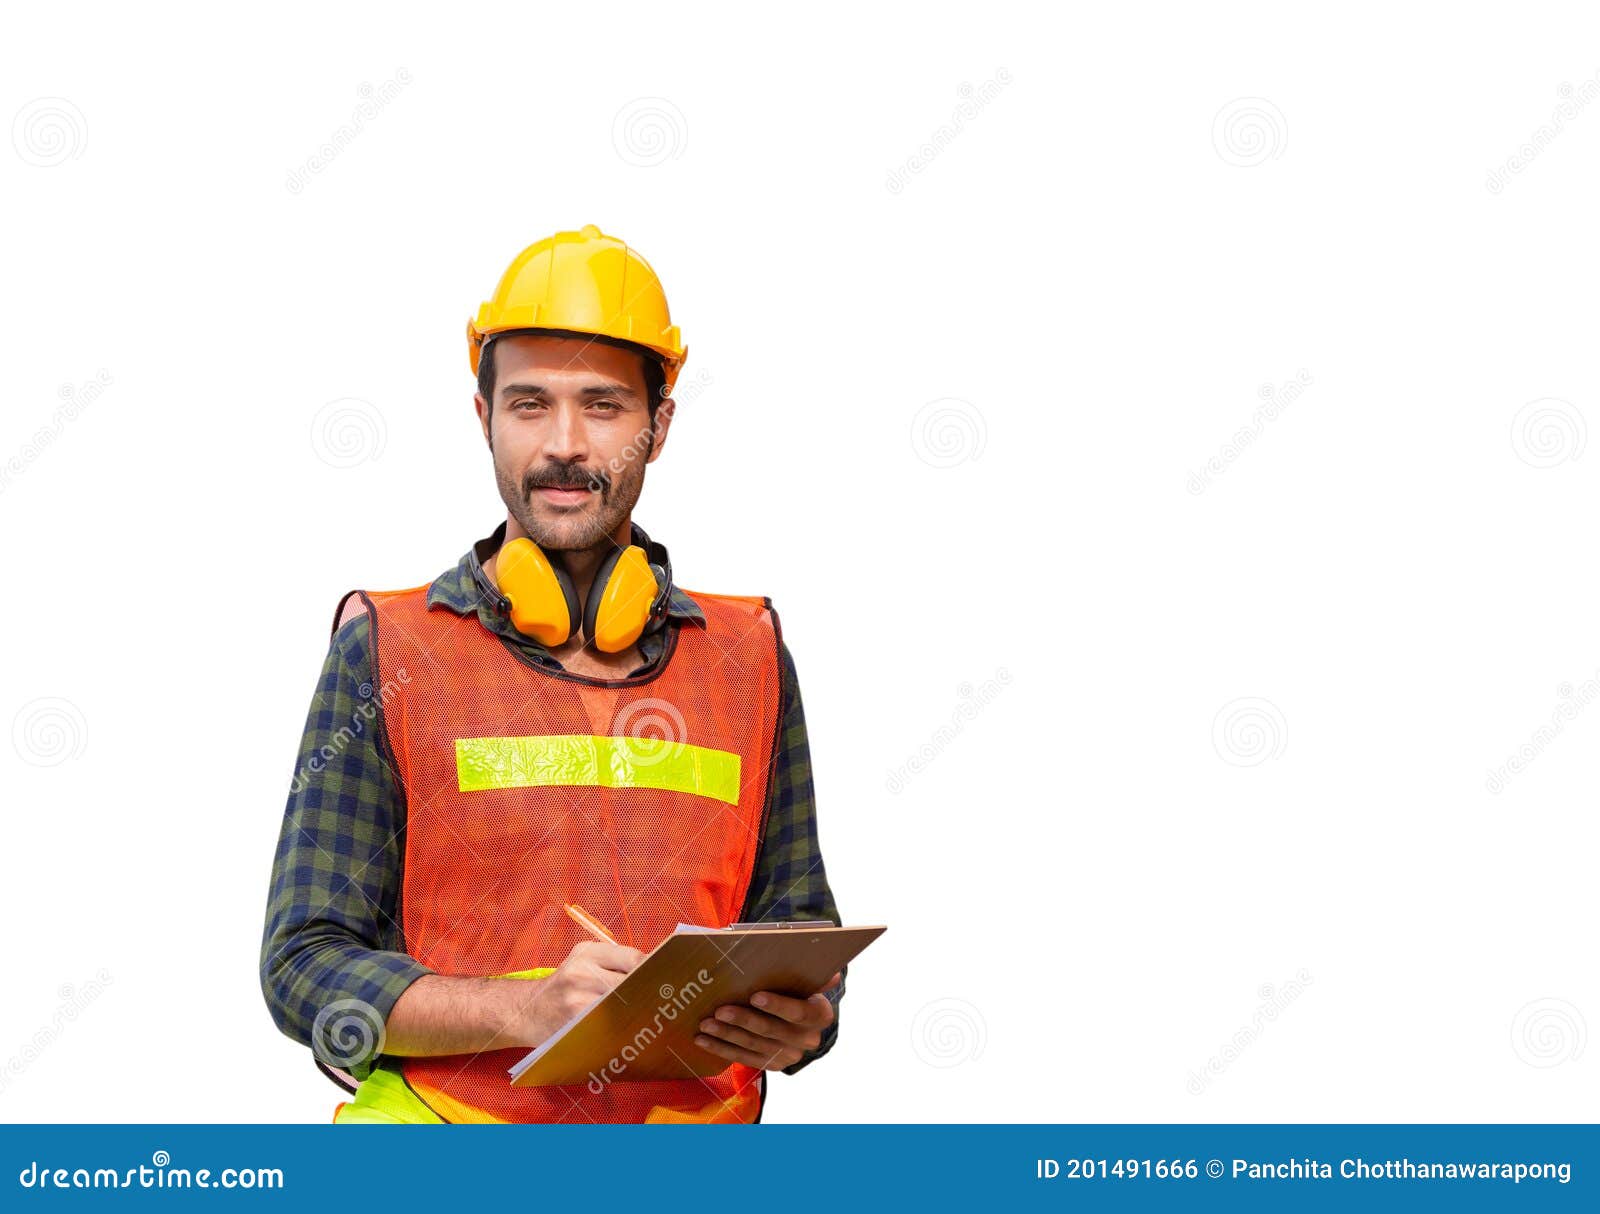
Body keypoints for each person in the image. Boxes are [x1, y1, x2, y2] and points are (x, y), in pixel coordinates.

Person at [259, 225, 844, 1124]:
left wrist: (804, 1018)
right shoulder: (392, 650)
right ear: (484, 416)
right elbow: (303, 967)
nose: (564, 443)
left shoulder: (748, 655)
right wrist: (523, 1009)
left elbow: (799, 924)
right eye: (529, 404)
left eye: (603, 405)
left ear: (659, 428)